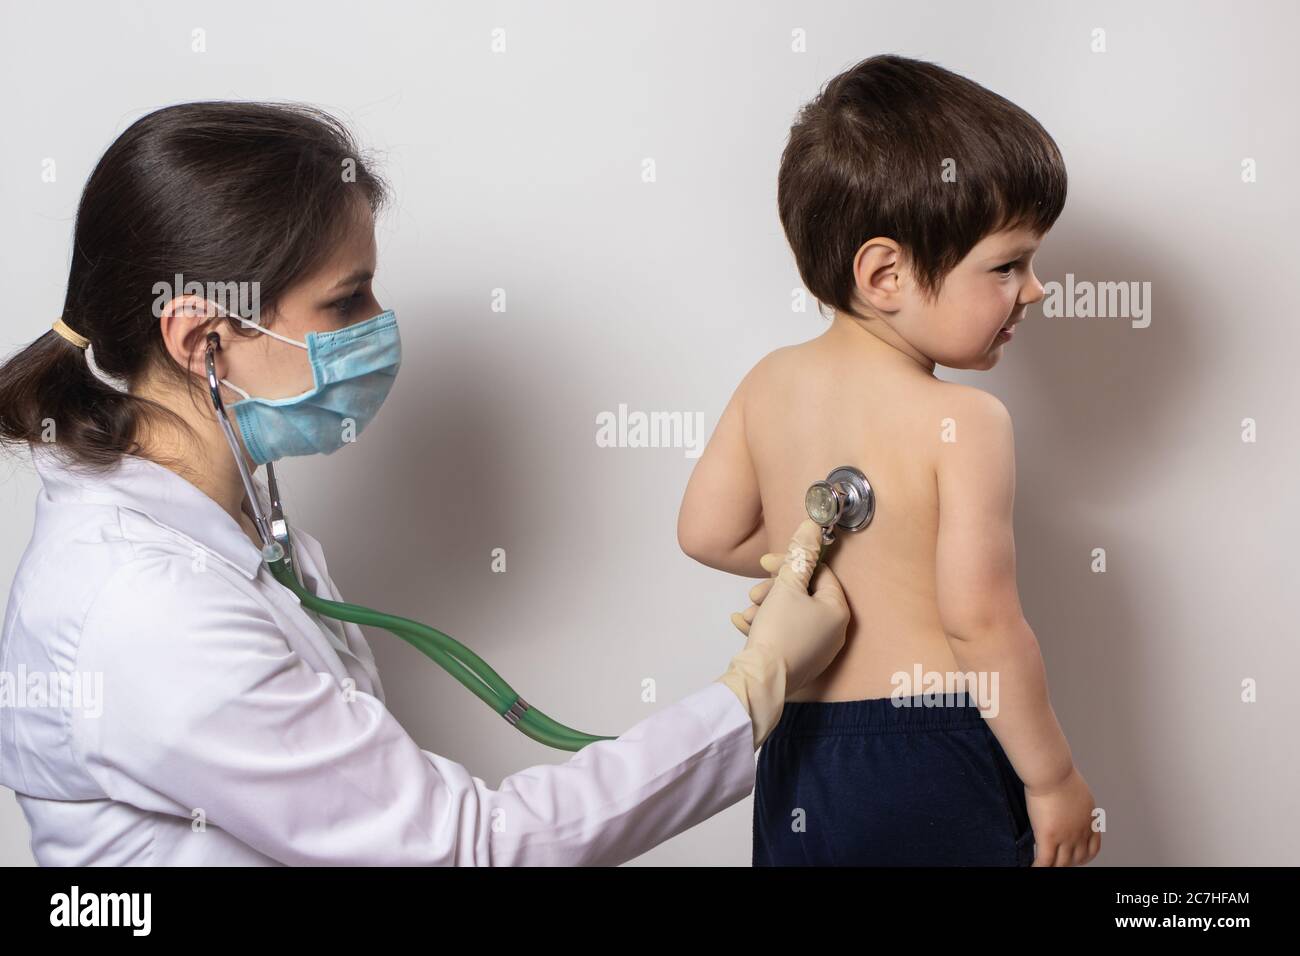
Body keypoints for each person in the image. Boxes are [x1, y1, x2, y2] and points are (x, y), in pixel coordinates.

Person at [0, 101, 850, 866]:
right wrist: (756, 683)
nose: (381, 328)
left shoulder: (237, 529)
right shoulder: (143, 605)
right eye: (348, 300)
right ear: (203, 339)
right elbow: (466, 849)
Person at [678, 55, 1100, 867]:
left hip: (802, 753)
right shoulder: (965, 421)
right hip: (930, 752)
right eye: (1008, 264)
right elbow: (980, 624)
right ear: (886, 274)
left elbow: (704, 532)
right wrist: (1052, 781)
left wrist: (817, 569)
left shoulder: (770, 383)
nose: (1037, 288)